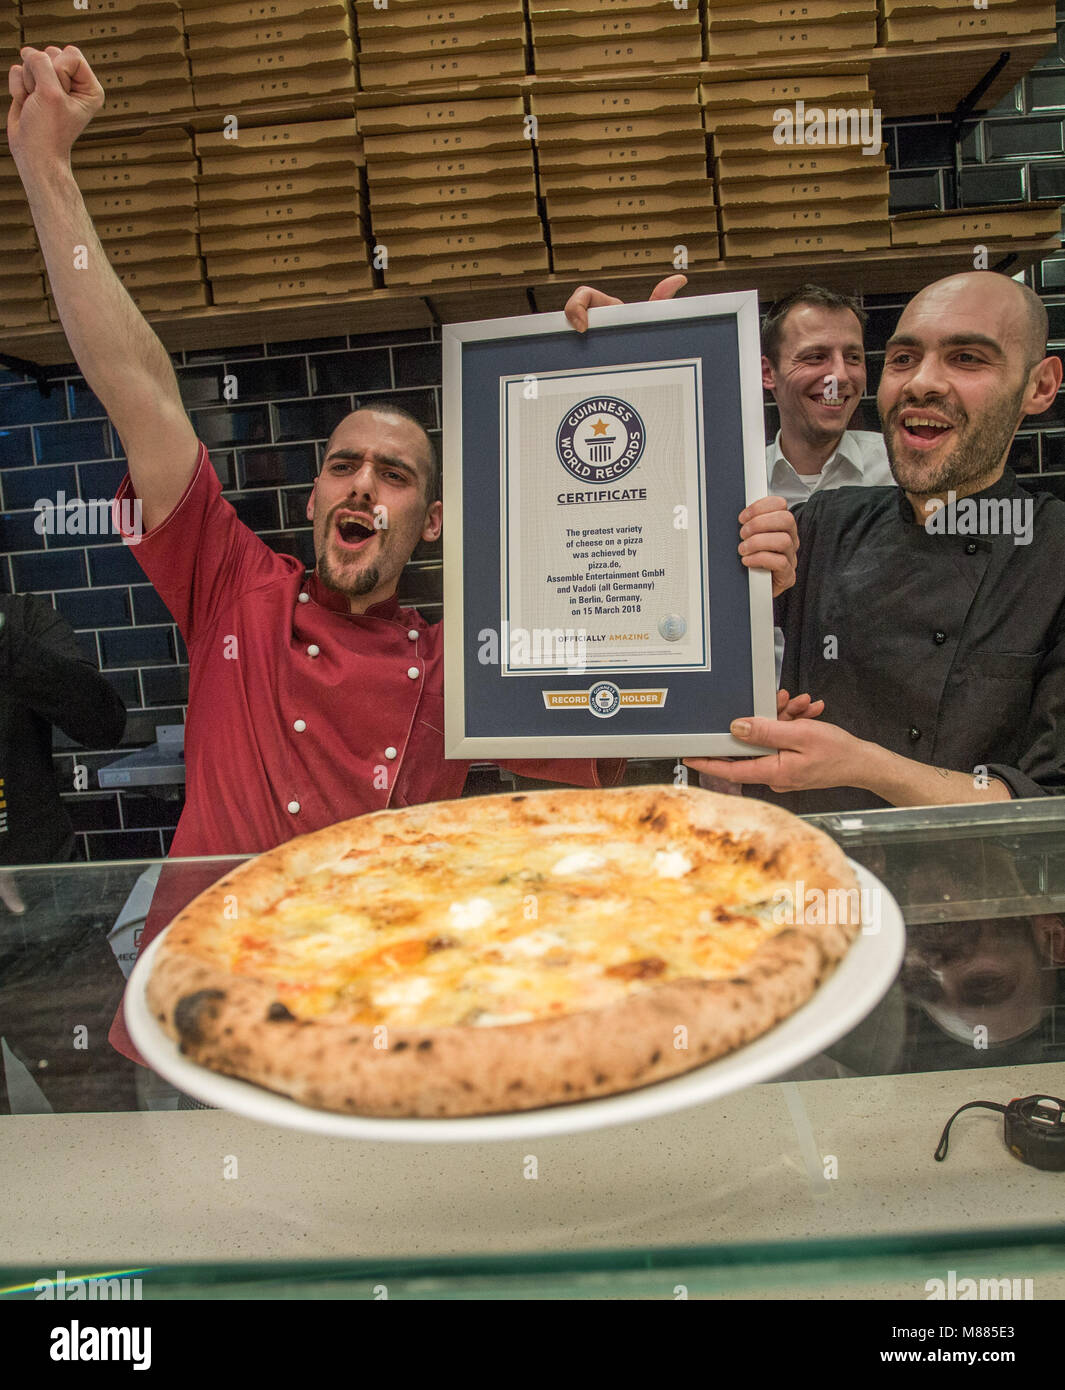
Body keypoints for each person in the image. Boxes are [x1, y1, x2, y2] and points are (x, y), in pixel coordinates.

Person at [8, 47, 802, 1065]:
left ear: (431, 522)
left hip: (361, 1013)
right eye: (344, 466)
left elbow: (653, 735)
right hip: (195, 1014)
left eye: (393, 475)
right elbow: (141, 387)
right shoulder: (230, 585)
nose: (362, 487)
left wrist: (663, 456)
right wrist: (46, 167)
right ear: (312, 496)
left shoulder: (473, 661)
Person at [569, 271, 1065, 813]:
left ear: (1039, 387)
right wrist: (630, 372)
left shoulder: (1054, 552)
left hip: (982, 895)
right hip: (801, 872)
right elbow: (638, 606)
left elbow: (1049, 803)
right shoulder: (824, 522)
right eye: (902, 358)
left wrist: (862, 766)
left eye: (967, 358)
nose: (922, 382)